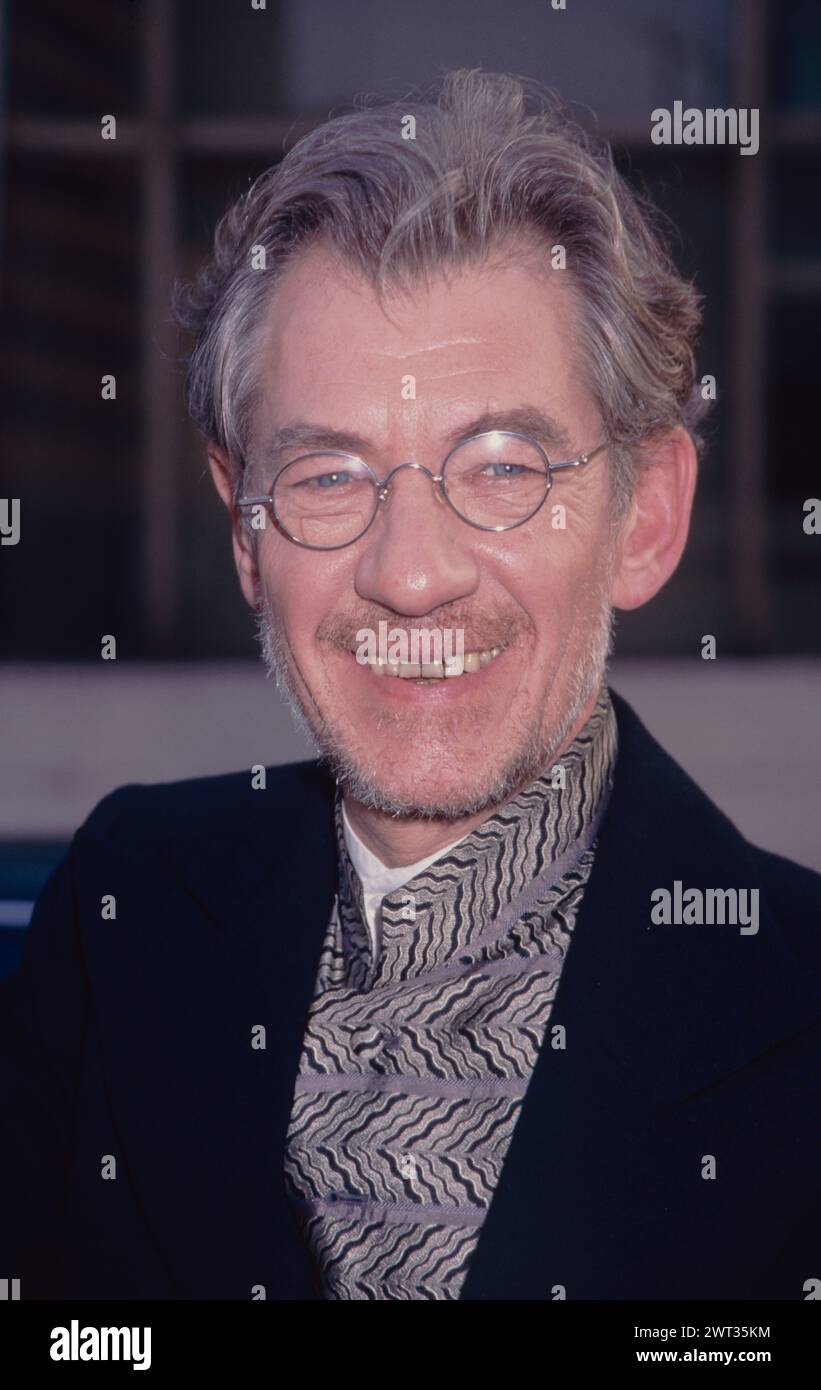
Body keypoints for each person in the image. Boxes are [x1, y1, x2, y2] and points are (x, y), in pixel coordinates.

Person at [2, 69, 819, 1302]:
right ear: (243, 530)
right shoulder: (123, 909)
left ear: (643, 515)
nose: (413, 575)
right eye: (329, 475)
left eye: (500, 467)